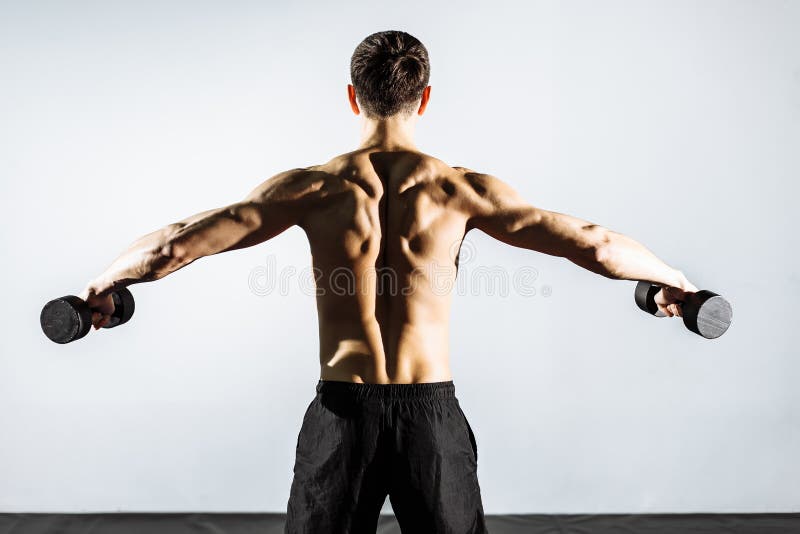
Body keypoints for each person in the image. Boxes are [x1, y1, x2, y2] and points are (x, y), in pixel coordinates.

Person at [78, 30, 699, 534]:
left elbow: (180, 239)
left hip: (342, 412)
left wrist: (104, 281)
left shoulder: (312, 189)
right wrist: (669, 278)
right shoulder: (462, 192)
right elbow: (589, 239)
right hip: (430, 415)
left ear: (353, 96)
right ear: (423, 98)